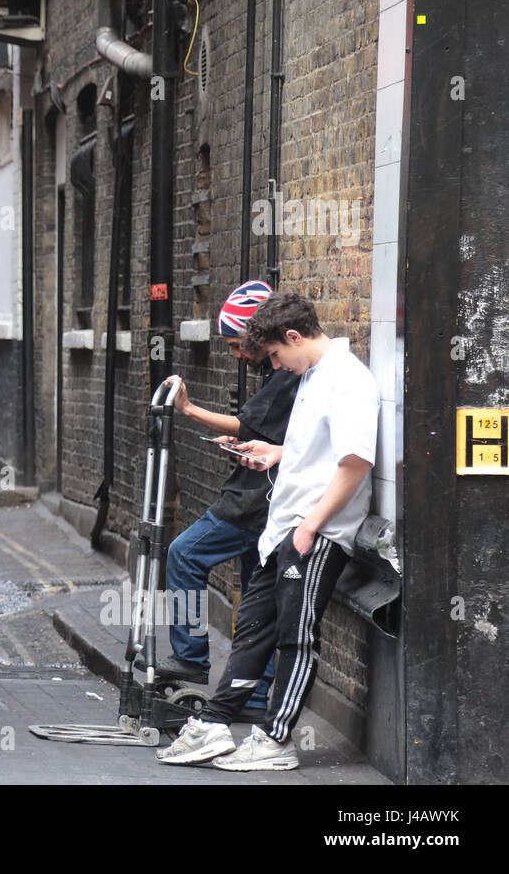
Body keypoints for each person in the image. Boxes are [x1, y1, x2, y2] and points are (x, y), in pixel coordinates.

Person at [157, 292, 379, 771]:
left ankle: (276, 740)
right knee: (253, 630)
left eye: (276, 354)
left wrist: (310, 528)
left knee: (295, 637)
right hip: (281, 529)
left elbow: (355, 462)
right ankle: (214, 726)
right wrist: (276, 453)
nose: (275, 364)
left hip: (313, 533)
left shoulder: (349, 380)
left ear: (294, 337)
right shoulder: (312, 375)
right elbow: (317, 450)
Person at [135, 281, 296, 722]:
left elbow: (248, 425)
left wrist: (187, 410)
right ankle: (258, 699)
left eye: (235, 345)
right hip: (267, 497)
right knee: (256, 600)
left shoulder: (285, 372)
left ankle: (190, 655)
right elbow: (263, 431)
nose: (235, 356)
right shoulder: (278, 369)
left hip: (254, 501)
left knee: (184, 553)